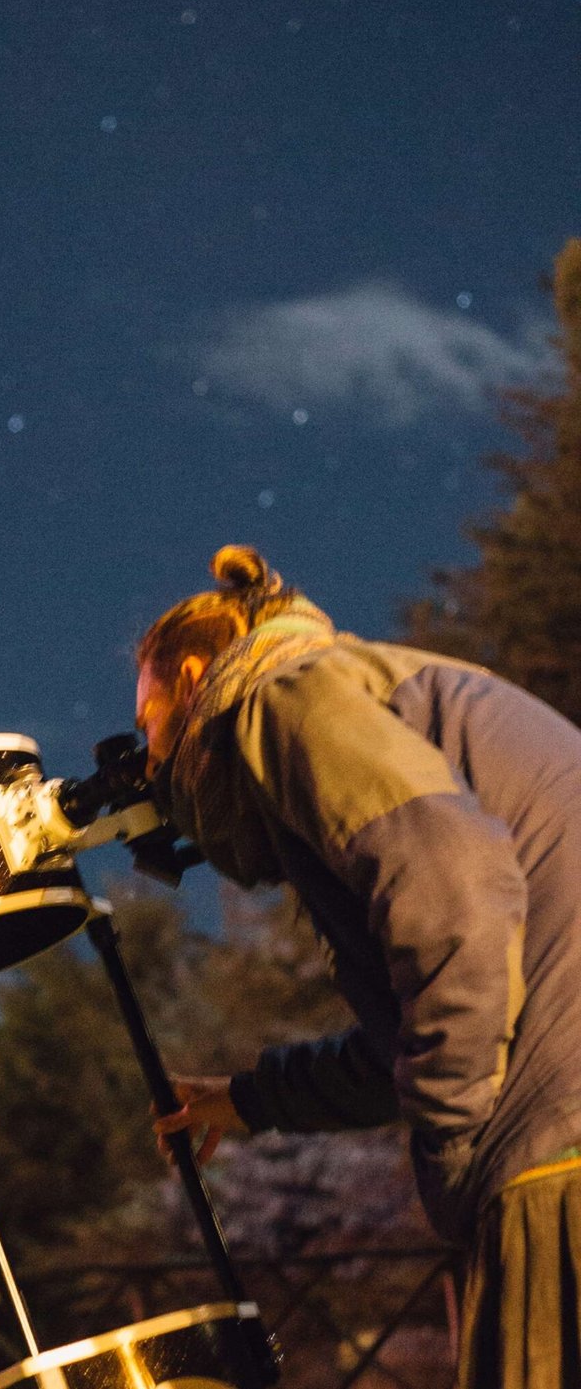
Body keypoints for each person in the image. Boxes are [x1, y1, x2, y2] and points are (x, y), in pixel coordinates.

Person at [138, 546, 581, 1389]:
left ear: (194, 676)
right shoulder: (372, 692)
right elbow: (425, 1025)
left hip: (560, 1168)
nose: (150, 763)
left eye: (148, 725)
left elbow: (459, 892)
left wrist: (453, 1131)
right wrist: (252, 1097)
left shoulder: (290, 697)